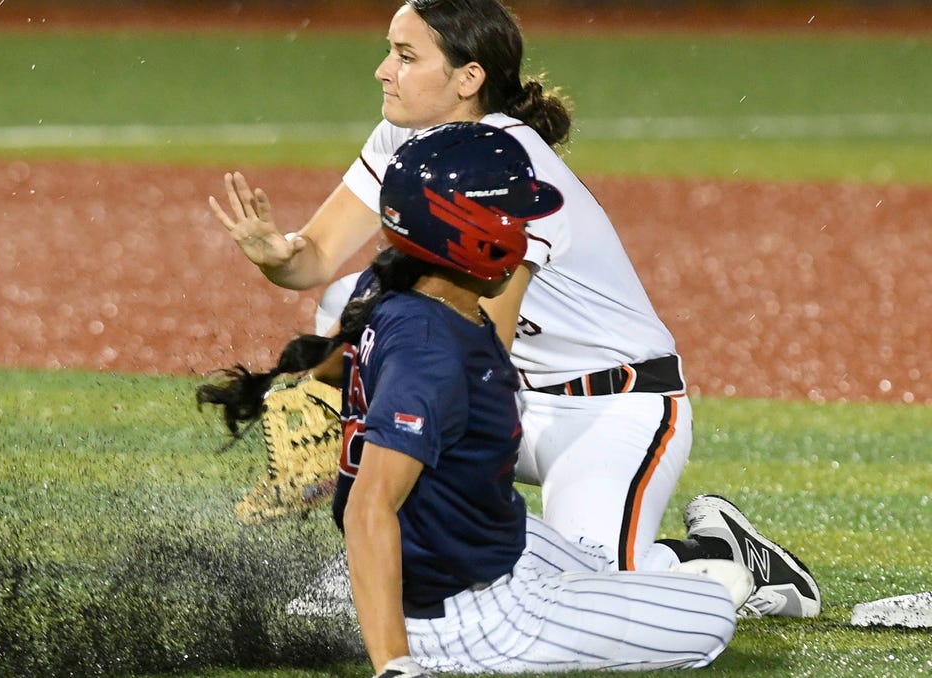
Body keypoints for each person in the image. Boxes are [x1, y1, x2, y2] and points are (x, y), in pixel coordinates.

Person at [209, 0, 819, 617]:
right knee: (345, 300)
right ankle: (403, 554)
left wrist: (381, 413)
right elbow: (313, 259)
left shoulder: (512, 171)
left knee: (589, 595)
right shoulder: (404, 134)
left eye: (405, 55)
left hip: (610, 410)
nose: (382, 70)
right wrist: (274, 254)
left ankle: (716, 555)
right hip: (513, 398)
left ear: (467, 79)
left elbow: (481, 353)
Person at [201, 123, 750, 676]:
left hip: (469, 551)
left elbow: (345, 361)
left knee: (573, 556)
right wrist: (396, 666)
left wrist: (317, 388)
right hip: (473, 618)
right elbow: (371, 508)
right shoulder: (436, 350)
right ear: (467, 233)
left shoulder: (386, 290)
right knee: (712, 613)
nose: (523, 230)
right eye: (511, 218)